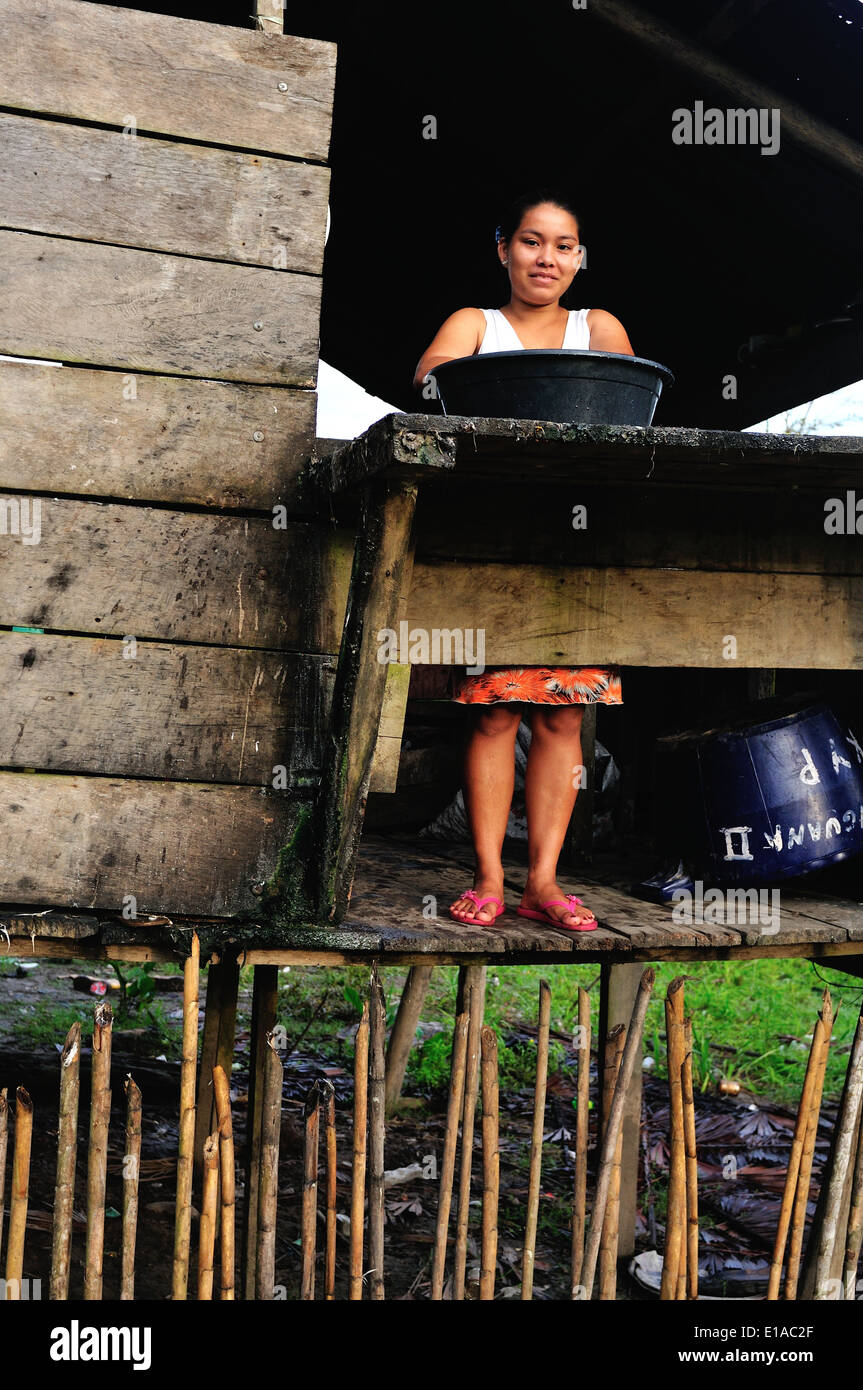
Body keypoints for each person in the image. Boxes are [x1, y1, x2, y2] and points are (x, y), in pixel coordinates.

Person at [412, 189, 633, 931]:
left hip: (579, 538)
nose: (547, 257)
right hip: (491, 532)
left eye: (563, 245)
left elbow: (624, 400)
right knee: (495, 712)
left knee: (565, 716)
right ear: (502, 247)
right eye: (532, 242)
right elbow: (430, 378)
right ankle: (487, 875)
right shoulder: (476, 324)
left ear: (580, 258)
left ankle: (542, 880)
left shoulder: (595, 325)